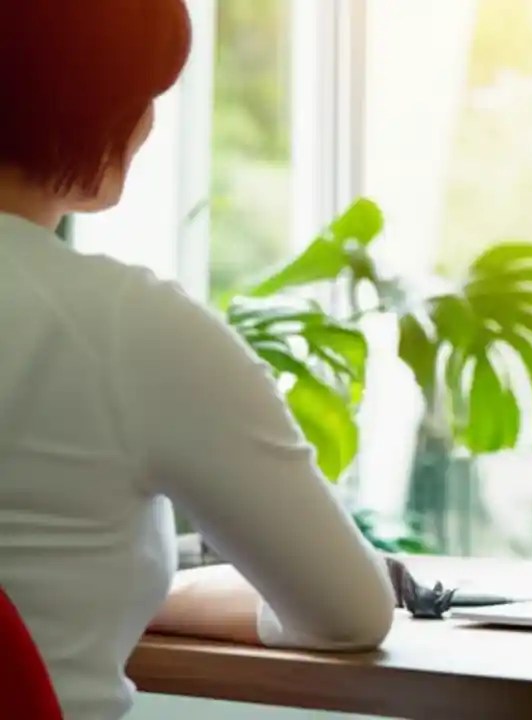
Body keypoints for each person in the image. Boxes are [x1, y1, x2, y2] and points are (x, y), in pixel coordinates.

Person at [0, 3, 397, 719]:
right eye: (146, 93)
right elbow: (348, 613)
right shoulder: (124, 325)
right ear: (89, 107)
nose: (151, 124)